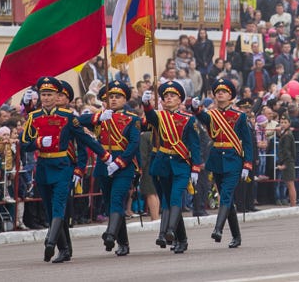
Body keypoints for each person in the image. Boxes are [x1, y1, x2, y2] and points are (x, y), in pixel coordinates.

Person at [20, 76, 110, 263]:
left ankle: (51, 242)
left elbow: (86, 139)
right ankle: (65, 249)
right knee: (49, 208)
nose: (45, 98)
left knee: (59, 204)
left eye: (49, 94)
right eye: (43, 94)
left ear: (57, 96)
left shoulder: (68, 117)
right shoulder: (34, 117)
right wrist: (37, 142)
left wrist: (105, 156)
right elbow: (24, 143)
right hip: (43, 166)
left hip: (62, 166)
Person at [191, 78, 255, 248]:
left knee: (225, 195)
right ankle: (236, 236)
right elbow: (202, 117)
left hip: (234, 159)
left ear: (231, 96)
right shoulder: (211, 114)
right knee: (227, 198)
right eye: (218, 91)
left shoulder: (240, 116)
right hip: (217, 159)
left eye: (224, 91)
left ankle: (218, 229)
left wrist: (247, 164)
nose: (220, 93)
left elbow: (247, 142)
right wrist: (195, 108)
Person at [79, 80, 140, 257]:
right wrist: (97, 117)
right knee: (109, 203)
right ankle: (123, 243)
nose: (113, 100)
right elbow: (77, 122)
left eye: (118, 97)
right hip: (104, 166)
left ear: (125, 99)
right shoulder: (101, 117)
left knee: (116, 199)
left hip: (123, 166)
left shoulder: (132, 119)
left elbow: (134, 144)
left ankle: (111, 234)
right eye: (110, 97)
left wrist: (119, 162)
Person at [141, 79, 201, 255]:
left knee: (175, 198)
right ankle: (181, 239)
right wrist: (146, 104)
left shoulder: (188, 120)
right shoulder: (159, 116)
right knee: (167, 201)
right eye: (165, 96)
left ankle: (169, 231)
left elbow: (194, 145)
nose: (168, 98)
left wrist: (196, 167)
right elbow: (150, 117)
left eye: (172, 95)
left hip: (181, 164)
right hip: (162, 164)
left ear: (179, 99)